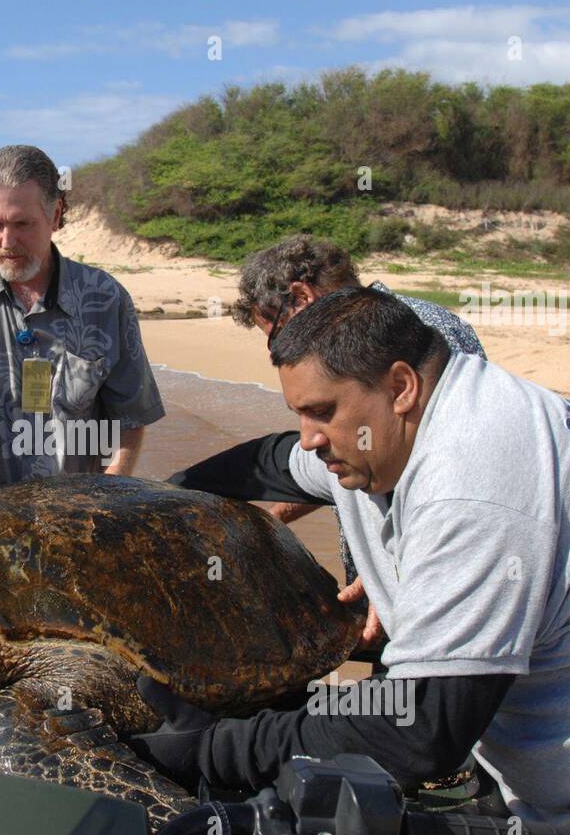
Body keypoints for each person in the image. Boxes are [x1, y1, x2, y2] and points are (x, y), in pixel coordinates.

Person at [70, 286, 570, 835]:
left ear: (402, 387)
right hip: (539, 777)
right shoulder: (390, 432)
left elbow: (421, 731)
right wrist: (145, 501)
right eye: (300, 412)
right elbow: (268, 461)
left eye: (322, 412)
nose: (309, 437)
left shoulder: (476, 479)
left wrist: (213, 746)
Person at [169, 235, 486, 648]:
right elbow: (343, 460)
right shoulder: (358, 341)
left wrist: (399, 572)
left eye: (275, 335)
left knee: (419, 705)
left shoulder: (416, 328)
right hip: (389, 584)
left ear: (301, 297)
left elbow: (455, 465)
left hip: (433, 585)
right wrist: (272, 518)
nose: (283, 352)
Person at [0, 144, 165, 501]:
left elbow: (129, 420)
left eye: (23, 224)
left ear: (55, 215)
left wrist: (106, 499)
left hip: (80, 518)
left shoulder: (107, 299)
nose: (7, 242)